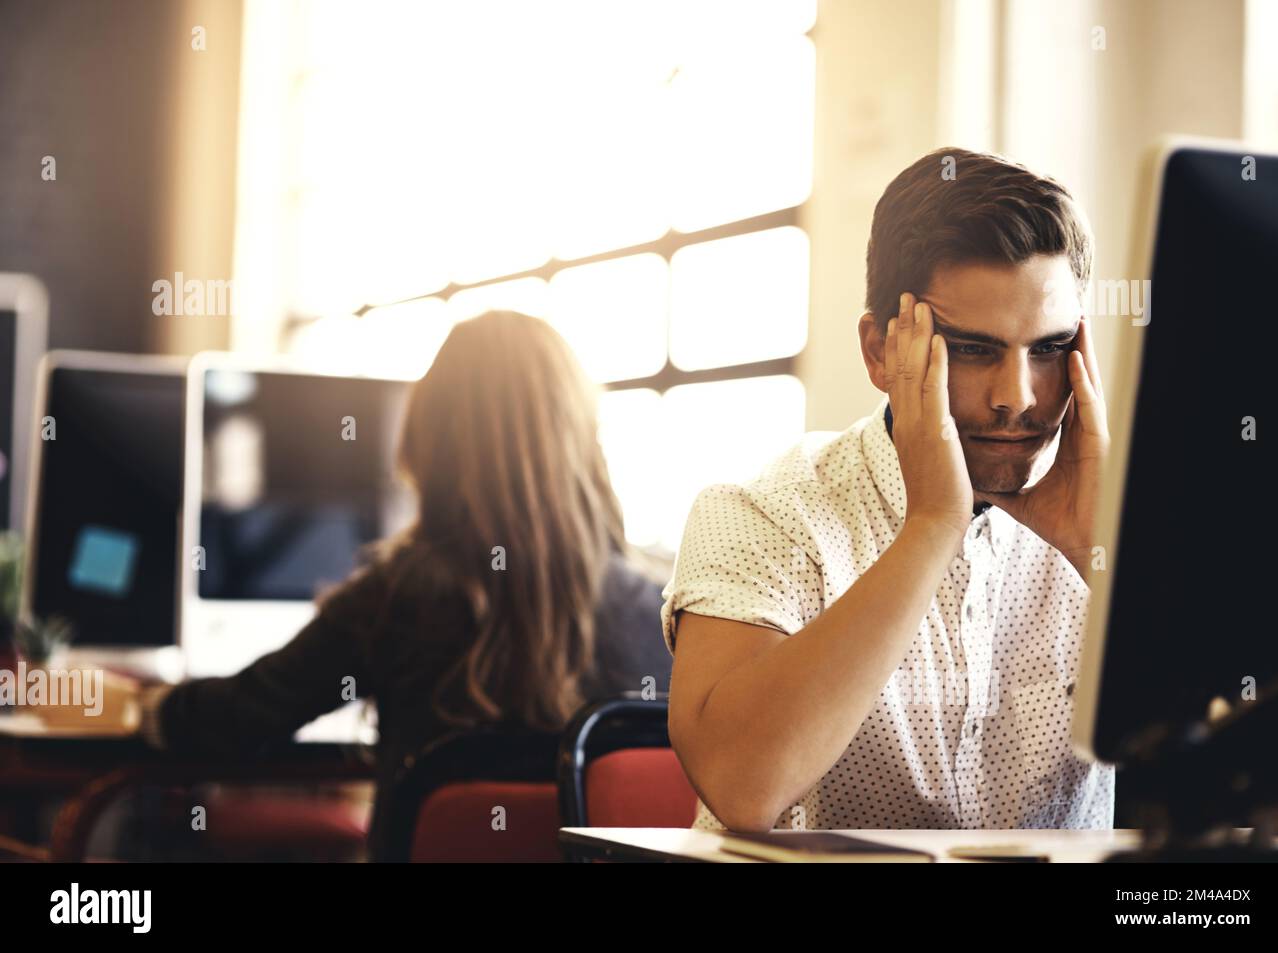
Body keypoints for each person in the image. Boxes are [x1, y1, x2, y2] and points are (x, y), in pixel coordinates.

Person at [40, 310, 672, 856]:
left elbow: (236, 717)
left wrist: (135, 702)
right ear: (584, 438)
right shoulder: (660, 614)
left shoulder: (397, 596)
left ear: (429, 442)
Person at [663, 148, 1114, 831]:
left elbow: (1272, 795)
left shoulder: (1115, 528)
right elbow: (742, 783)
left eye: (1048, 350)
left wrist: (1106, 560)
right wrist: (934, 524)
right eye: (973, 349)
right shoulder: (762, 514)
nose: (1016, 399)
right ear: (880, 351)